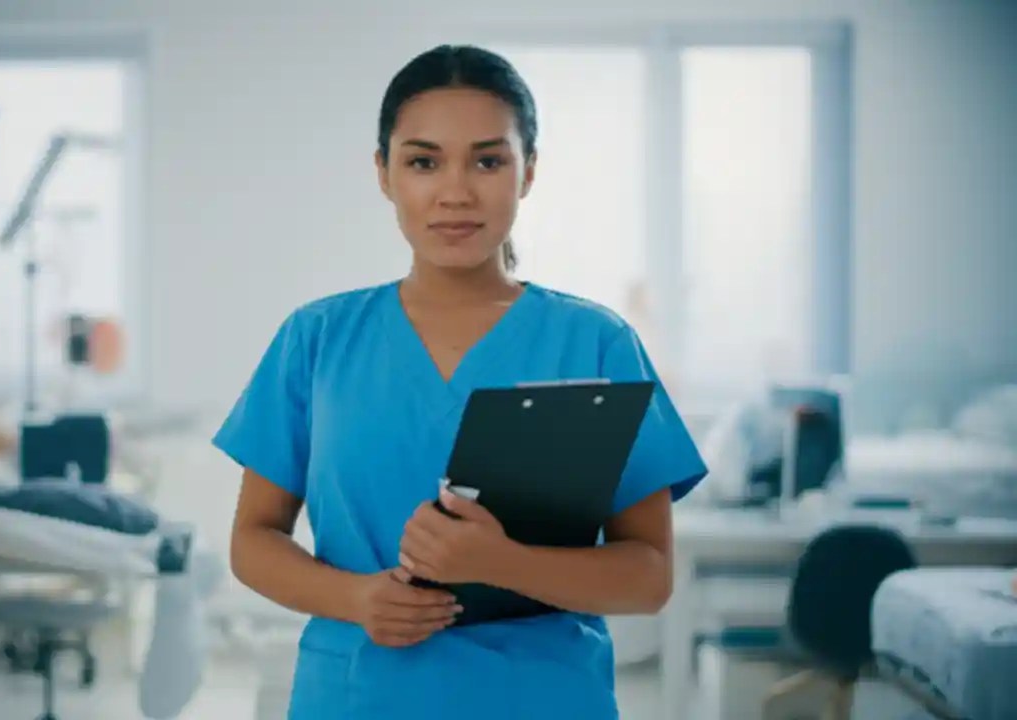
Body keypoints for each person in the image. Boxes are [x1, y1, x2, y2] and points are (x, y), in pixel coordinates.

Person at [214, 44, 707, 719]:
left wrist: (501, 561)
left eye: (487, 160)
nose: (455, 191)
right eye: (423, 161)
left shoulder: (595, 343)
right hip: (358, 697)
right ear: (384, 173)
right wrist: (356, 599)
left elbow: (649, 577)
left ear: (527, 171)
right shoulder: (317, 339)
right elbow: (252, 540)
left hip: (543, 699)